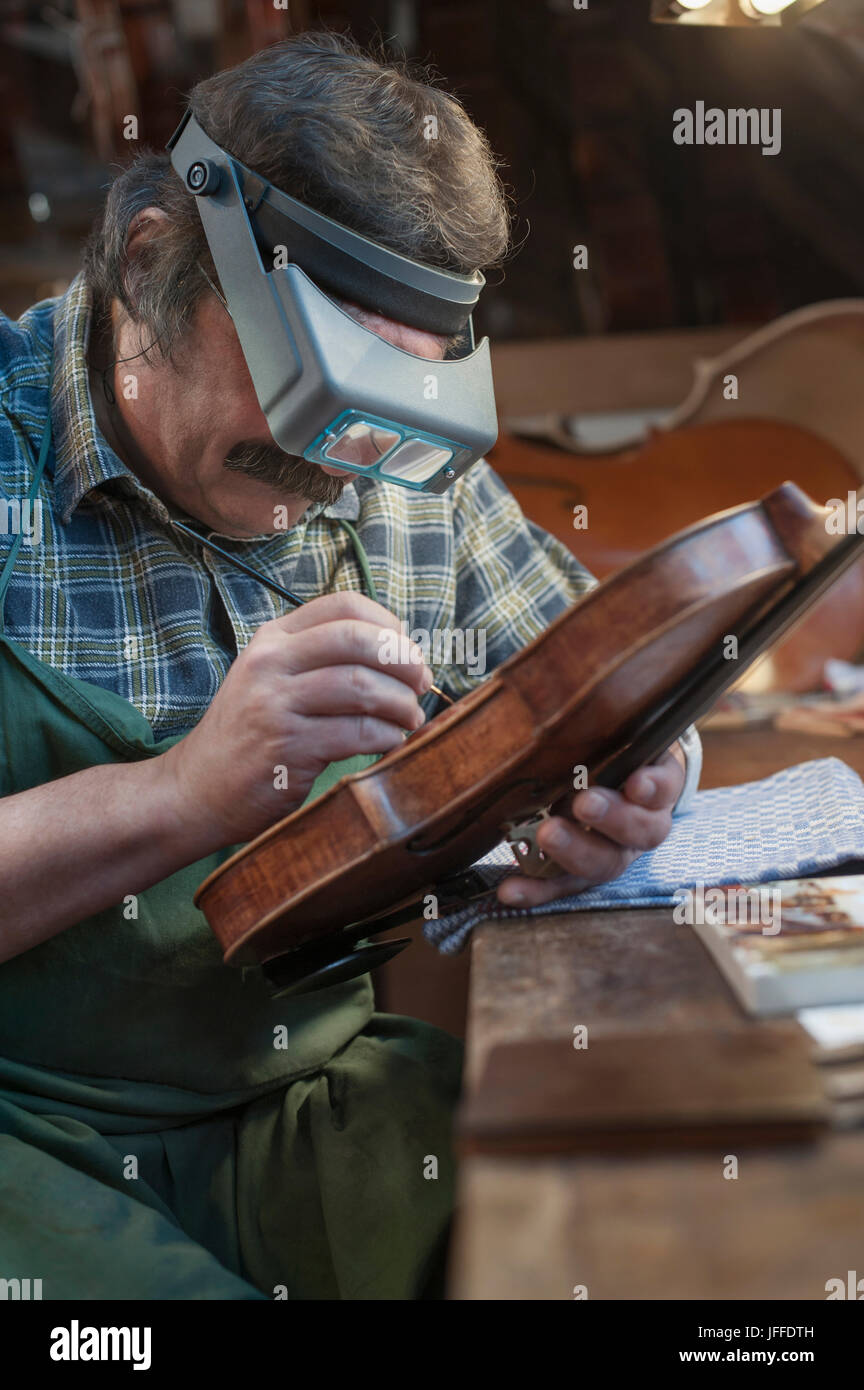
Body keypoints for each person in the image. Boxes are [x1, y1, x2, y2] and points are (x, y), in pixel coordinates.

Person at [0, 31, 699, 1300]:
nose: (341, 474)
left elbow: (621, 668)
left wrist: (639, 778)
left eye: (387, 421)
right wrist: (181, 797)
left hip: (306, 1103)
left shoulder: (401, 467)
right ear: (156, 255)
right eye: (308, 405)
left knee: (614, 1243)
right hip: (24, 1136)